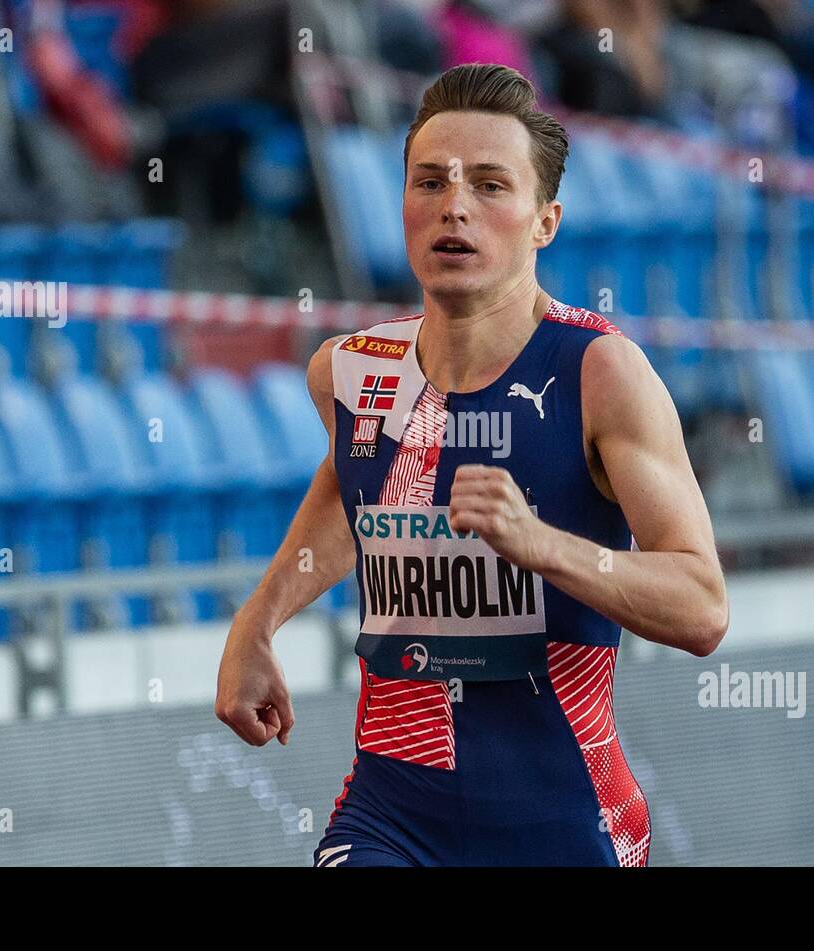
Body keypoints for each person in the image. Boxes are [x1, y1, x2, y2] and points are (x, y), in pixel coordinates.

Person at [215, 62, 728, 866]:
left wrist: (541, 544)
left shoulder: (602, 373)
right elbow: (350, 497)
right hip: (392, 814)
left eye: (491, 185)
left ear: (543, 221)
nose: (454, 205)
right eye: (431, 182)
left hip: (562, 817)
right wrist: (258, 621)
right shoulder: (351, 372)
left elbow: (702, 607)